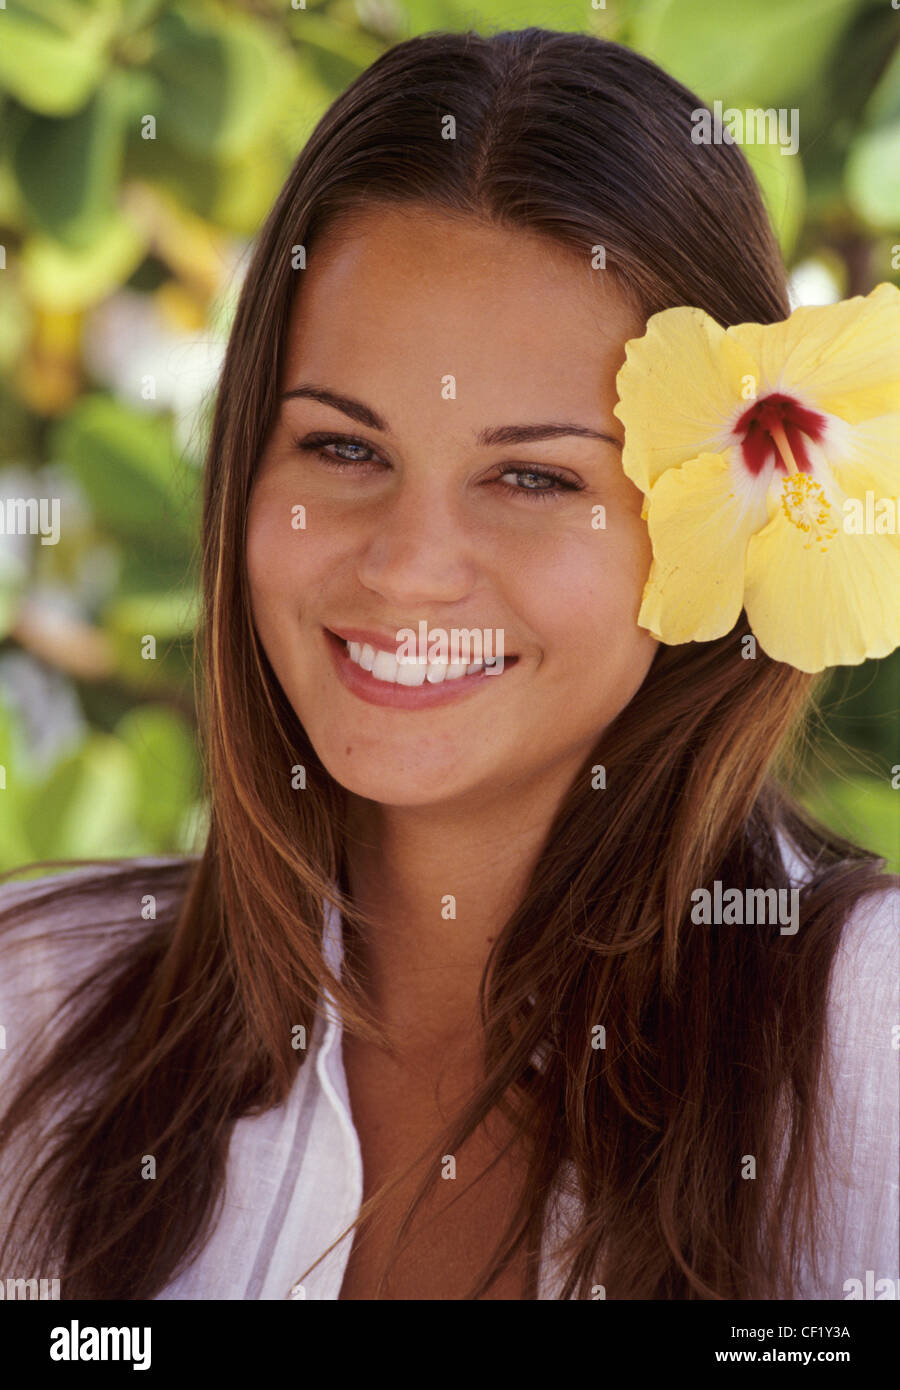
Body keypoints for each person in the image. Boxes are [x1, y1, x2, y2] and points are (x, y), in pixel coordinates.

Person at [0, 28, 897, 1302]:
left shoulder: (872, 1041)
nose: (411, 567)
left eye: (533, 476)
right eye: (343, 450)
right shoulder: (26, 1008)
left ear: (715, 522)